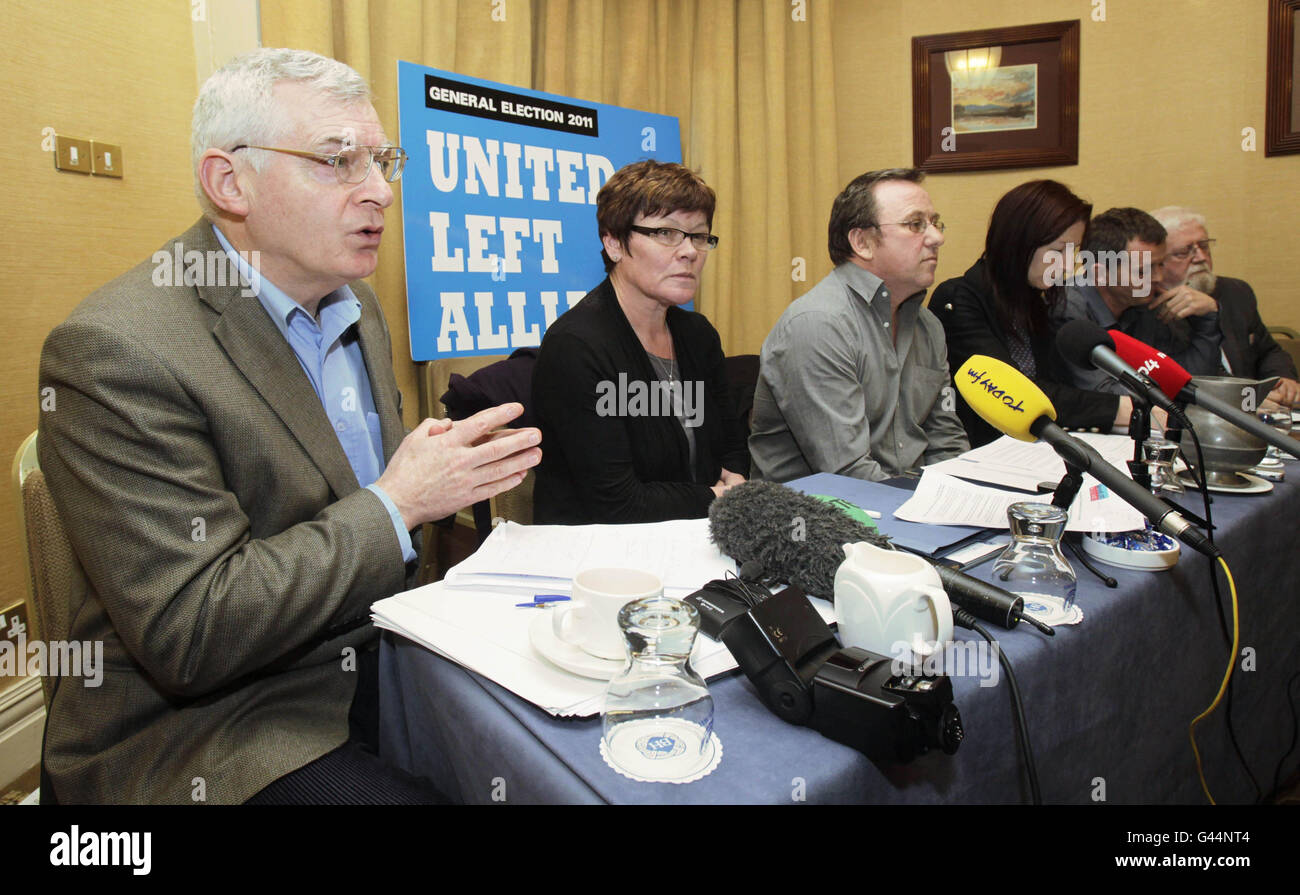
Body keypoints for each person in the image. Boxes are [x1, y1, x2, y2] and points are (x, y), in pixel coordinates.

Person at [36, 49, 541, 804]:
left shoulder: (354, 302)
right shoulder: (116, 350)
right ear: (229, 182)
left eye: (383, 161)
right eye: (338, 162)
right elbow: (191, 629)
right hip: (212, 726)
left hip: (370, 651)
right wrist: (399, 502)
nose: (380, 192)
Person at [531, 160, 748, 524]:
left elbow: (731, 441)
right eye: (666, 233)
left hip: (696, 533)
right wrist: (715, 497)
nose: (690, 252)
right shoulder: (576, 346)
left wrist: (736, 480)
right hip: (599, 554)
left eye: (698, 236)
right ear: (614, 243)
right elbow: (616, 501)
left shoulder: (698, 335)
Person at [749, 168, 969, 482]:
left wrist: (962, 500)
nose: (937, 238)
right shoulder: (818, 325)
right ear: (862, 242)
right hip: (819, 517)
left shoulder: (928, 326)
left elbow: (946, 440)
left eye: (935, 223)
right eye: (915, 224)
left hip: (906, 504)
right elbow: (847, 474)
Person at [932, 180, 1141, 446]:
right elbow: (1014, 395)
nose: (1066, 265)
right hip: (983, 452)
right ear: (1018, 241)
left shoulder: (1036, 300)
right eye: (1057, 251)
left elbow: (1059, 384)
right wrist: (1120, 410)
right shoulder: (959, 299)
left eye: (1072, 251)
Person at [1054, 207, 1222, 394]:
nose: (1158, 277)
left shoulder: (1146, 300)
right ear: (1099, 273)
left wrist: (1207, 320)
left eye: (1160, 264)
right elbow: (1105, 392)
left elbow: (1190, 382)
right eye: (1143, 271)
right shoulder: (1066, 309)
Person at [1150, 206, 1299, 407]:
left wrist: (1283, 379)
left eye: (1204, 246)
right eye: (1184, 252)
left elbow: (1269, 351)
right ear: (1158, 262)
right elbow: (1179, 385)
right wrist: (1247, 401)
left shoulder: (1235, 292)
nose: (1201, 257)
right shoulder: (1147, 309)